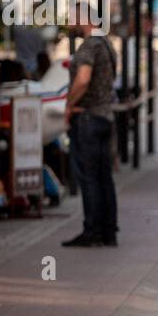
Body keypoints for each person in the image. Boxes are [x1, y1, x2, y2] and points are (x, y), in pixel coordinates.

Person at [62, 23, 118, 248]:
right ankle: (109, 231)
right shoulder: (107, 44)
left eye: (73, 15)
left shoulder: (89, 46)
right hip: (106, 117)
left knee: (89, 177)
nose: (69, 21)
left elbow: (83, 79)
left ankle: (92, 230)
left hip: (88, 119)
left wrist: (68, 104)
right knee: (105, 176)